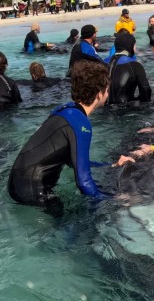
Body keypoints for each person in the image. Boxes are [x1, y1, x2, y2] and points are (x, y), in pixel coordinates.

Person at [8, 60, 138, 207]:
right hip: (31, 190)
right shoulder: (81, 123)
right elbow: (83, 182)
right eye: (107, 90)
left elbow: (73, 161)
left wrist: (111, 165)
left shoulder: (65, 110)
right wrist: (116, 199)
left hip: (17, 183)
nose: (108, 94)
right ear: (99, 94)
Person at [107, 32, 151, 105]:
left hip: (103, 108)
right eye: (135, 45)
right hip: (126, 110)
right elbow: (145, 90)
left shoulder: (102, 62)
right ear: (130, 46)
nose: (135, 47)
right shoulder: (136, 65)